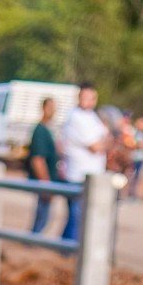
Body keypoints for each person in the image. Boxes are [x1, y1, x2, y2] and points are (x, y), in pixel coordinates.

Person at [58, 84, 109, 243]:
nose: (88, 101)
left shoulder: (92, 117)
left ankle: (68, 249)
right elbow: (96, 146)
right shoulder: (75, 117)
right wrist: (102, 143)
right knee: (76, 216)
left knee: (83, 217)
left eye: (91, 98)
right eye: (84, 97)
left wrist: (103, 143)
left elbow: (106, 140)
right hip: (78, 175)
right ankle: (67, 250)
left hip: (93, 174)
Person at [27, 97, 63, 235]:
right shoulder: (40, 131)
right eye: (50, 107)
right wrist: (45, 183)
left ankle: (33, 240)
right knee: (43, 214)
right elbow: (37, 159)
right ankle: (32, 240)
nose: (52, 111)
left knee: (45, 213)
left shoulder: (48, 130)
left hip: (49, 179)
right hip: (45, 180)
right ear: (43, 108)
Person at [126, 115, 143, 199]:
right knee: (130, 176)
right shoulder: (132, 132)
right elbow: (130, 143)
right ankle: (126, 194)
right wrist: (139, 144)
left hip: (141, 158)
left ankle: (132, 193)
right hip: (133, 158)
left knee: (137, 177)